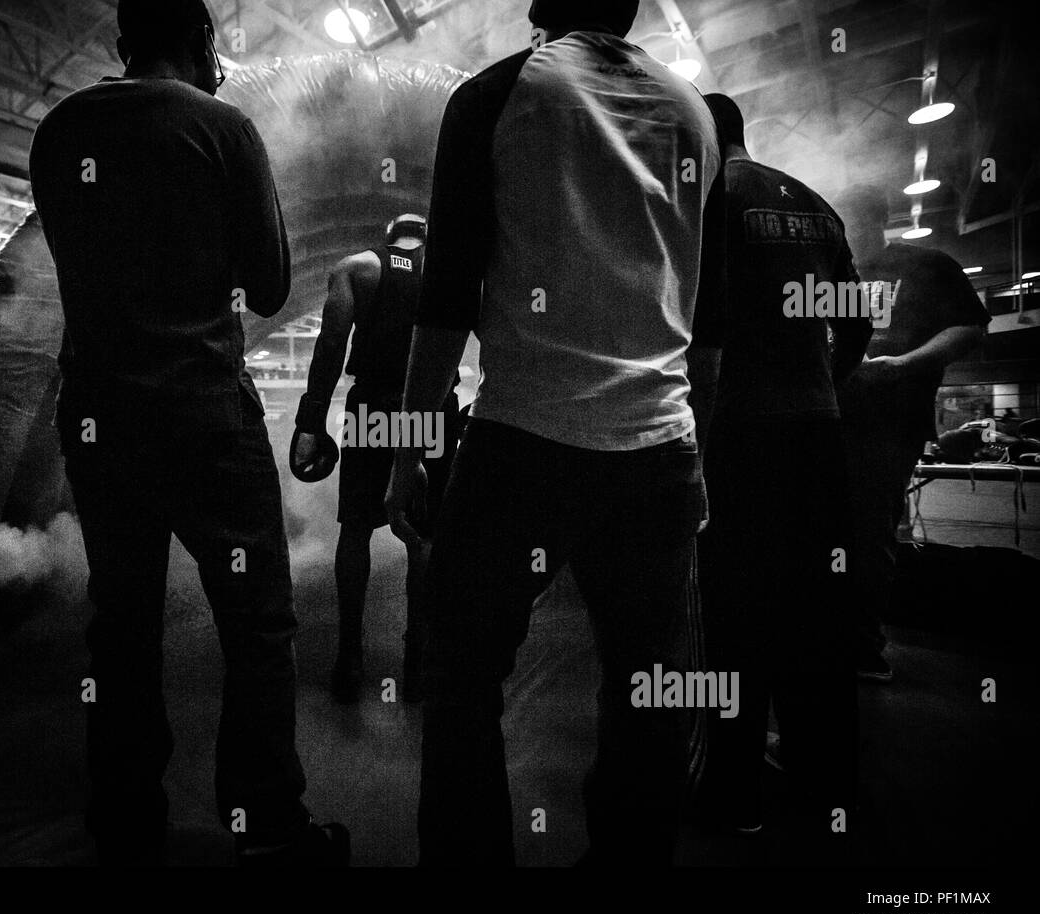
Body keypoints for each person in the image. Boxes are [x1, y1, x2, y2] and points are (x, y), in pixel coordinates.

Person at [385, 0, 725, 866]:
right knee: (650, 688)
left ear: (546, 4)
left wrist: (411, 449)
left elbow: (448, 296)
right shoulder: (692, 112)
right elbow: (707, 322)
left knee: (461, 678)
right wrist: (698, 456)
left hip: (524, 443)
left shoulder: (496, 95)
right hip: (658, 451)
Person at [29, 0, 347, 866]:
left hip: (99, 416)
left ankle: (125, 825)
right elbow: (275, 283)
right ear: (203, 40)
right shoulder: (222, 125)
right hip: (204, 415)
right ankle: (267, 825)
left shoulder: (59, 129)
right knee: (256, 622)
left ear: (126, 42)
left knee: (121, 625)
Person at [692, 93, 870, 853]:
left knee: (736, 614)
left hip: (741, 437)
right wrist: (822, 383)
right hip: (818, 437)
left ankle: (734, 796)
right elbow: (857, 322)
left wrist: (697, 439)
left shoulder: (710, 201)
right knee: (821, 609)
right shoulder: (817, 207)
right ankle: (821, 773)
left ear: (703, 137)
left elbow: (704, 329)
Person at [291, 214, 462, 704]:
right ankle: (417, 661)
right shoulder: (450, 273)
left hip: (374, 407)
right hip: (430, 407)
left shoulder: (356, 267)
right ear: (428, 236)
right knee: (421, 535)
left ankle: (350, 658)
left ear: (389, 237)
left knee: (355, 530)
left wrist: (311, 422)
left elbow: (329, 347)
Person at [832, 184, 990, 682]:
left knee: (869, 533)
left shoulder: (927, 265)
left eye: (854, 221)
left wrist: (902, 365)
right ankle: (825, 637)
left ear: (878, 219)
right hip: (829, 421)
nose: (848, 233)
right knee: (824, 533)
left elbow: (969, 327)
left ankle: (862, 648)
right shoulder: (832, 272)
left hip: (890, 423)